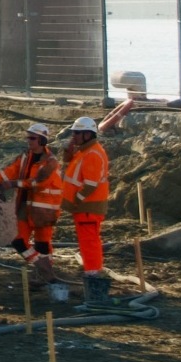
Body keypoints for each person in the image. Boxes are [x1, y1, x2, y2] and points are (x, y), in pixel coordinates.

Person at [0, 123, 70, 282]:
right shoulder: (25, 157)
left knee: (43, 246)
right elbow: (8, 173)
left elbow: (37, 182)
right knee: (18, 240)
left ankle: (43, 276)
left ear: (42, 140)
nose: (29, 141)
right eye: (28, 137)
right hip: (25, 208)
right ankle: (42, 268)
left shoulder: (50, 163)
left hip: (44, 212)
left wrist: (14, 184)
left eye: (32, 138)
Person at [59, 115, 113, 302]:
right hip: (85, 207)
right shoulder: (85, 151)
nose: (73, 137)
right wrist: (68, 153)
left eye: (77, 134)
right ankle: (93, 271)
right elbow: (71, 167)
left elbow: (90, 184)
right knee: (88, 240)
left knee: (89, 241)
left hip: (88, 206)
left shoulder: (92, 154)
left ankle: (93, 274)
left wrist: (76, 200)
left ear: (87, 134)